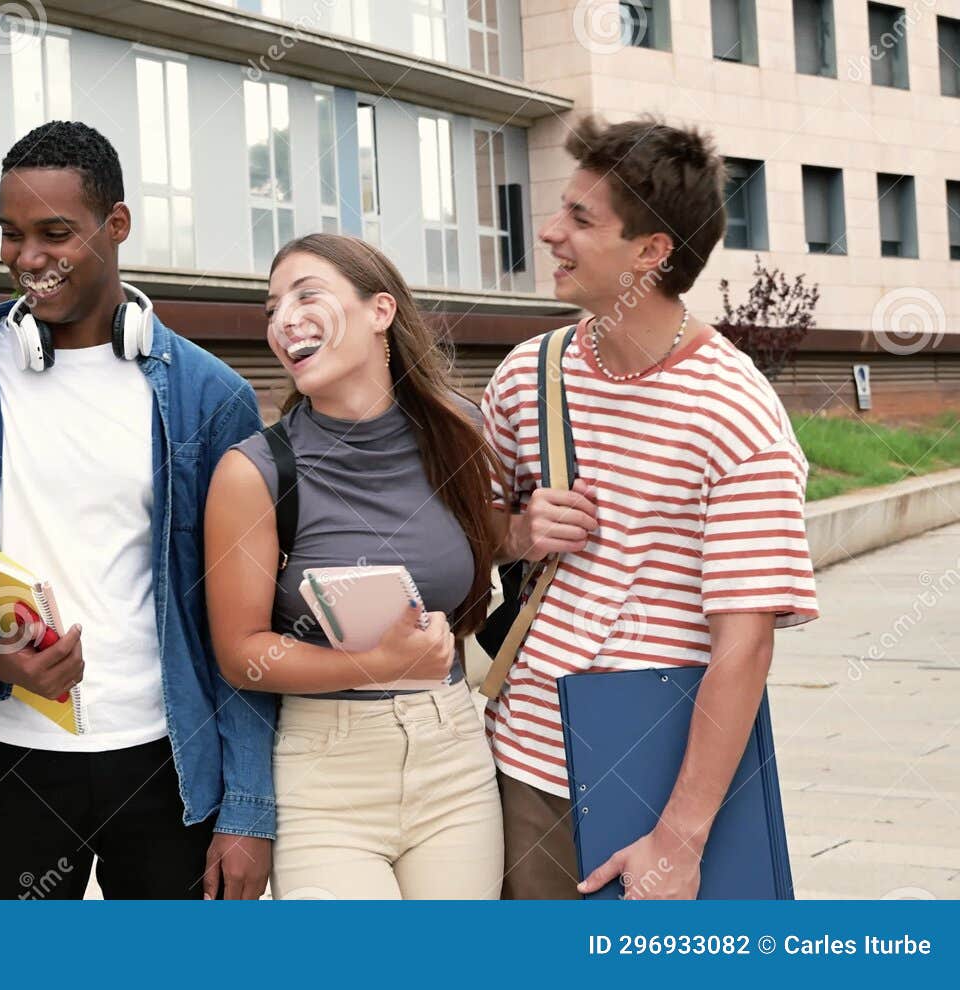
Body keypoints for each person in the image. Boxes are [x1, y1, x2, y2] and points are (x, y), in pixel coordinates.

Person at [0, 120, 276, 900]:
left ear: (116, 225)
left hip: (169, 765)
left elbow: (243, 621)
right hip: (3, 760)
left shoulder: (212, 399)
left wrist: (250, 811)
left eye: (54, 233)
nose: (28, 258)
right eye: (11, 234)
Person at [482, 116, 819, 899]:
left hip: (654, 770)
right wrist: (516, 532)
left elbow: (744, 646)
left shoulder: (735, 413)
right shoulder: (529, 375)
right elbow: (465, 536)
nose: (549, 232)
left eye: (580, 218)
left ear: (651, 252)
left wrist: (679, 837)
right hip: (521, 759)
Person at [205, 233, 503, 899]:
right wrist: (380, 664)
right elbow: (239, 654)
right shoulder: (253, 472)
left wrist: (526, 529)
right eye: (271, 308)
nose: (283, 319)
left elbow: (479, 546)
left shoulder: (460, 430)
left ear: (380, 311)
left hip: (453, 754)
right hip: (326, 776)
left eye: (307, 295)